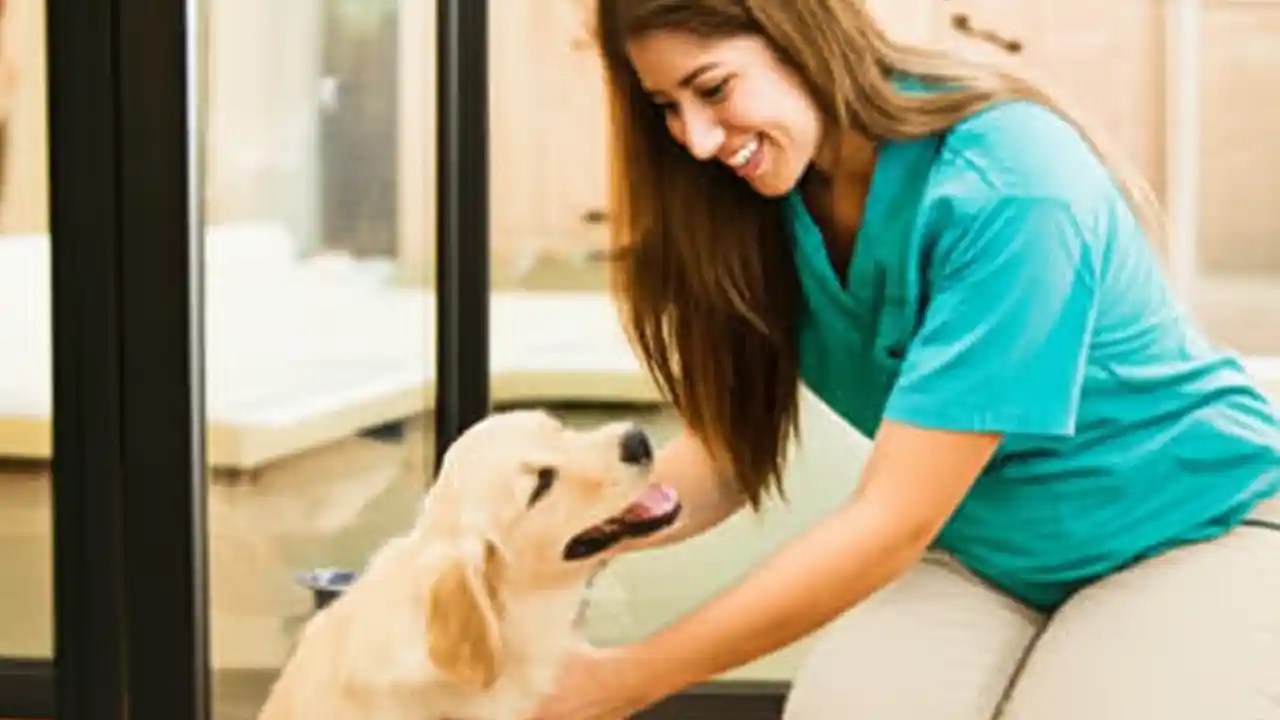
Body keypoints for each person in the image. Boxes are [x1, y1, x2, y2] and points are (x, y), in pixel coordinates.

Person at [529, 1, 1280, 718]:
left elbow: (893, 520)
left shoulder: (1011, 184)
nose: (695, 138)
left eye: (714, 89)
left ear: (801, 30)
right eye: (666, 107)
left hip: (1195, 524)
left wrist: (622, 683)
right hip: (989, 547)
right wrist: (556, 536)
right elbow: (725, 454)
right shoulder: (761, 200)